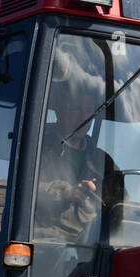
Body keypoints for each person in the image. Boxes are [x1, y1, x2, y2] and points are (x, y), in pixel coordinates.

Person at [33, 56, 115, 243]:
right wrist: (65, 192)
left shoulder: (100, 158)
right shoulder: (37, 146)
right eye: (75, 108)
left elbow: (120, 195)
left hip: (89, 241)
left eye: (88, 111)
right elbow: (22, 188)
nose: (83, 117)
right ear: (59, 110)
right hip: (45, 237)